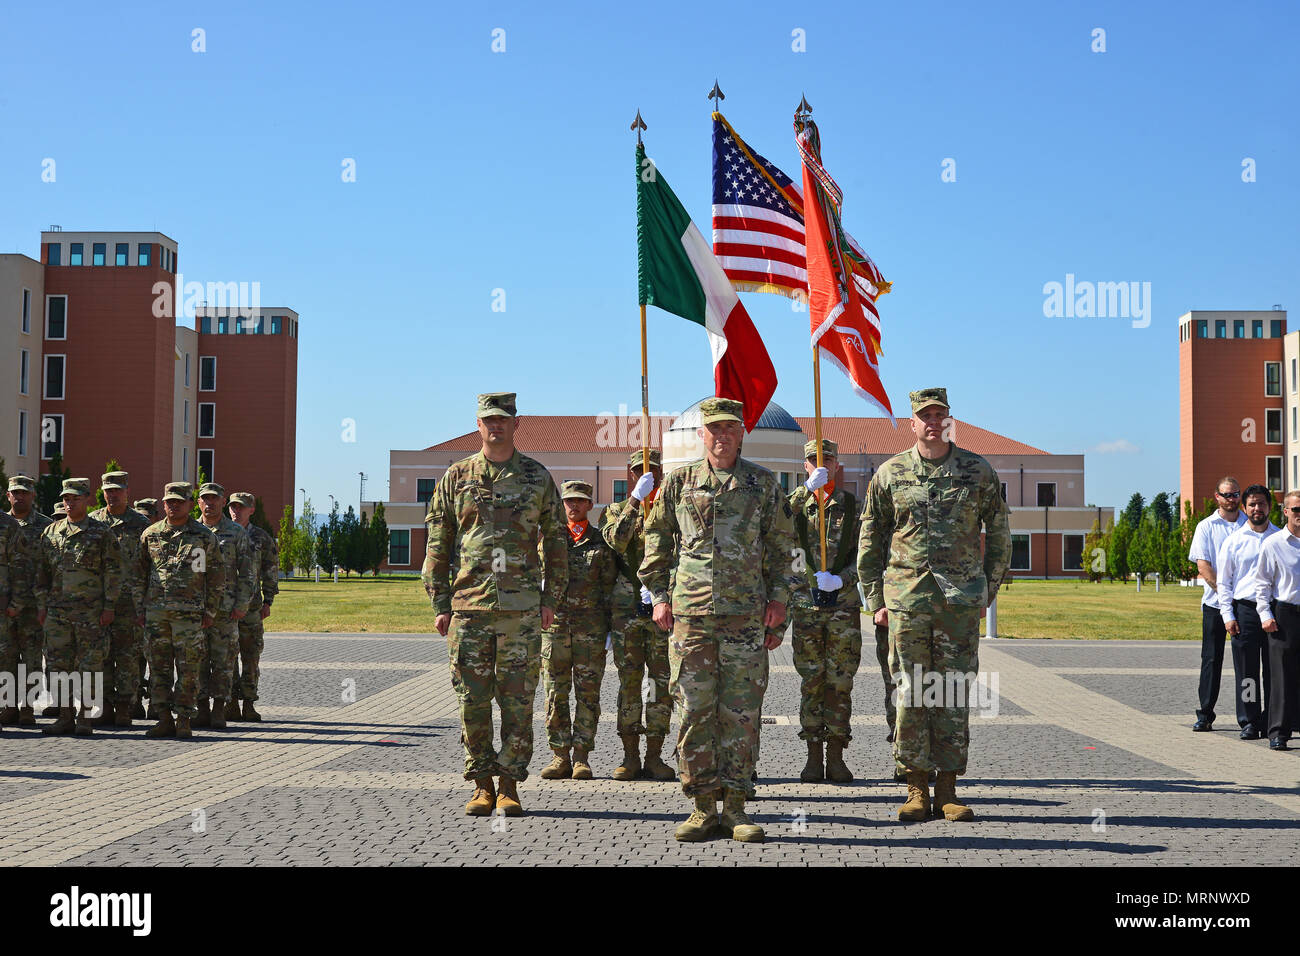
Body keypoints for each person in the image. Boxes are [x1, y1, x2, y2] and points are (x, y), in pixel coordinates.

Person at [640, 397, 795, 843]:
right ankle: (702, 806)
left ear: (742, 432)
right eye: (714, 429)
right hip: (691, 617)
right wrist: (660, 596)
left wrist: (780, 604)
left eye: (730, 428)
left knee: (741, 713)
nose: (722, 436)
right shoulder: (680, 482)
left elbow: (784, 549)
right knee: (693, 710)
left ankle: (737, 807)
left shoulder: (762, 484)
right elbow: (657, 541)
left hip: (746, 617)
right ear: (701, 434)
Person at [859, 388, 1011, 823]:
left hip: (957, 603)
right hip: (907, 601)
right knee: (909, 692)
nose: (932, 422)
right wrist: (875, 600)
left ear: (949, 420)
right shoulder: (890, 474)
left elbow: (999, 534)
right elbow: (870, 541)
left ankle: (948, 788)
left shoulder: (976, 471)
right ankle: (914, 787)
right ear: (912, 423)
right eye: (924, 415)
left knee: (953, 691)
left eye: (939, 414)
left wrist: (988, 589)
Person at [423, 392, 568, 817]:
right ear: (478, 424)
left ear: (515, 424)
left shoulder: (536, 476)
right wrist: (440, 601)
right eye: (489, 420)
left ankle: (510, 784)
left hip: (522, 609)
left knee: (519, 701)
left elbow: (557, 541)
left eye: (503, 419)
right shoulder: (457, 476)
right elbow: (438, 541)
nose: (496, 426)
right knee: (472, 700)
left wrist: (550, 599)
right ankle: (481, 783)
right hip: (469, 607)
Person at [787, 438, 863, 783]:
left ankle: (836, 756)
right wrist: (806, 491)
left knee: (840, 682)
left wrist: (843, 580)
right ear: (805, 466)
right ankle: (812, 756)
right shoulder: (796, 504)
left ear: (836, 464)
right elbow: (773, 525)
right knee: (811, 681)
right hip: (805, 605)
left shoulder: (852, 505)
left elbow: (867, 556)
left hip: (843, 607)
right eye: (813, 460)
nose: (821, 465)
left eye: (827, 459)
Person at [599, 448, 676, 781]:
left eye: (653, 469)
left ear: (660, 473)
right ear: (632, 474)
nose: (648, 474)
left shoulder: (671, 510)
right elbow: (615, 542)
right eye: (640, 470)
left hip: (662, 609)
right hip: (627, 612)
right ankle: (630, 756)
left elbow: (684, 553)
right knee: (629, 684)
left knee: (659, 684)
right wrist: (634, 500)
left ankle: (655, 756)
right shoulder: (616, 509)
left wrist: (663, 589)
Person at [33, 478, 124, 736]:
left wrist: (109, 607)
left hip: (90, 613)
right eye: (66, 498)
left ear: (87, 499)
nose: (70, 503)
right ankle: (64, 716)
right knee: (57, 665)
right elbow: (41, 574)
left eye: (75, 498)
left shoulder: (101, 533)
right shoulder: (51, 532)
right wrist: (42, 606)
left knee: (90, 665)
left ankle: (85, 718)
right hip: (57, 613)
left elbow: (114, 573)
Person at [539, 480, 617, 780]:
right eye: (569, 501)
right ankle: (559, 756)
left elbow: (609, 587)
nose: (574, 506)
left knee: (588, 695)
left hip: (590, 631)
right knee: (555, 694)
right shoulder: (549, 539)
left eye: (580, 501)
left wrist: (609, 628)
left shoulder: (601, 542)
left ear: (590, 505)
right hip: (555, 629)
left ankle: (582, 756)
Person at [138, 482, 225, 739]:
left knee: (189, 670)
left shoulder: (203, 536)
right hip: (156, 616)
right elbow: (137, 575)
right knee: (158, 668)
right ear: (163, 504)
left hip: (189, 616)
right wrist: (139, 609)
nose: (173, 505)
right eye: (169, 502)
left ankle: (185, 719)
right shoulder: (150, 534)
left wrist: (210, 612)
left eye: (179, 501)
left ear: (189, 504)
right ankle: (164, 718)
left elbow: (217, 577)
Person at [1215, 484, 1277, 740]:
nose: (1257, 508)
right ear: (1244, 508)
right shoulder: (1234, 541)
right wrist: (1228, 615)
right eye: (1251, 504)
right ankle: (1249, 720)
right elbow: (1224, 582)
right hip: (1245, 612)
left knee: (1275, 669)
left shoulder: (1280, 539)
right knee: (1247, 671)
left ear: (1269, 507)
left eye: (1261, 503)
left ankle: (1273, 719)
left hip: (1275, 611)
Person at [88, 471, 150, 727]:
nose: (112, 494)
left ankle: (125, 706)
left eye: (117, 490)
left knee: (127, 657)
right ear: (102, 492)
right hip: (97, 603)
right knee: (100, 656)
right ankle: (103, 705)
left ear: (127, 491)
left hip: (129, 604)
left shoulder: (141, 525)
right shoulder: (92, 522)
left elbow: (150, 567)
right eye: (108, 490)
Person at [1188, 476, 1247, 731]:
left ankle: (1249, 718)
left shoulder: (1250, 525)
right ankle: (1205, 714)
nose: (1232, 499)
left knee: (1246, 661)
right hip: (1214, 604)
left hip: (1245, 606)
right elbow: (1203, 566)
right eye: (1227, 495)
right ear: (1217, 497)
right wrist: (1226, 596)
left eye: (1236, 495)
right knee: (1211, 659)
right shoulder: (1205, 527)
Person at [195, 482, 254, 730]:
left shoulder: (236, 532)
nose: (209, 503)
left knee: (224, 661)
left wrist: (242, 604)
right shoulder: (191, 531)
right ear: (198, 503)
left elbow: (247, 572)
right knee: (196, 660)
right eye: (205, 499)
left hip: (225, 610)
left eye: (214, 499)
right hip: (195, 609)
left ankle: (219, 708)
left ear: (222, 502)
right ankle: (201, 709)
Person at [1, 475, 49, 726]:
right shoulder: (3, 523)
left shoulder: (45, 526)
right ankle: (8, 706)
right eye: (14, 493)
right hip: (4, 604)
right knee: (6, 657)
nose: (19, 497)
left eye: (24, 493)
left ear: (33, 495)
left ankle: (28, 707)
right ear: (8, 495)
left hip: (33, 603)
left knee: (31, 658)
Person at [226, 492, 278, 722]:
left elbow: (270, 569)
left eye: (241, 507)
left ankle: (248, 703)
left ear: (251, 510)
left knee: (250, 656)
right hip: (225, 606)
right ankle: (230, 704)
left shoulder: (261, 537)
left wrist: (268, 600)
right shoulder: (221, 534)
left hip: (252, 607)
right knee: (226, 657)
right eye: (233, 507)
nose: (236, 511)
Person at [1255, 490, 1300, 751]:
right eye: (1295, 510)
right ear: (1285, 512)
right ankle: (1278, 732)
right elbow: (1262, 583)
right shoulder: (1274, 543)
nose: (1299, 515)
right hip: (1285, 614)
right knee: (1281, 676)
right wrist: (1265, 615)